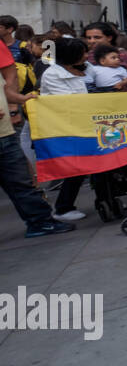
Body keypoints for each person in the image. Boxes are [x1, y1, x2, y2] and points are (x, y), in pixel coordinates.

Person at [1, 44, 72, 237]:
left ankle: (40, 222)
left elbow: (6, 84)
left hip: (4, 132)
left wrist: (19, 99)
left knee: (21, 180)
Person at [39, 38, 94, 221]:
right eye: (82, 53)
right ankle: (63, 207)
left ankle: (106, 197)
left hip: (88, 123)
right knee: (76, 167)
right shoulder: (52, 74)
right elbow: (66, 101)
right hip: (66, 127)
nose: (86, 56)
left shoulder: (86, 69)